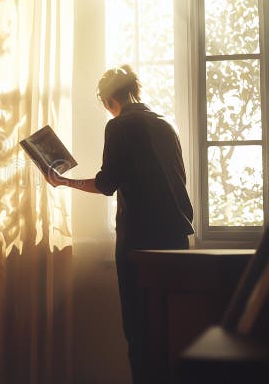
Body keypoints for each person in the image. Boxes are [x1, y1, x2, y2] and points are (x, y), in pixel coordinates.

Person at [46, 64, 194, 384]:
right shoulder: (166, 124)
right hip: (177, 239)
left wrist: (63, 182)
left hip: (140, 242)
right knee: (170, 330)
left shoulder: (119, 126)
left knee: (139, 332)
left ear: (108, 100)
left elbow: (106, 183)